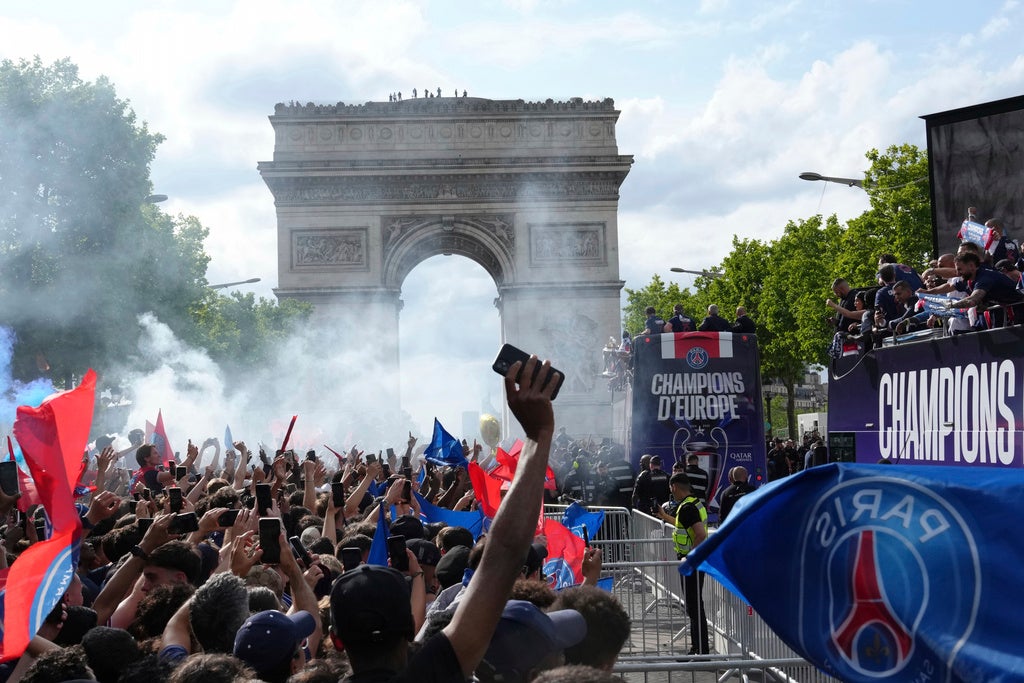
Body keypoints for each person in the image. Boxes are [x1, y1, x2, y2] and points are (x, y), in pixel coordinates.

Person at [328, 355, 562, 681]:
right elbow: (504, 554)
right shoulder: (431, 674)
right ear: (412, 625)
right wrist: (538, 436)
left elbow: (504, 555)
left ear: (335, 640)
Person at [656, 474, 709, 655]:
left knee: (694, 607)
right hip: (693, 561)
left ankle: (700, 650)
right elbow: (684, 526)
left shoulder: (687, 508)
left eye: (671, 488)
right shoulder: (693, 503)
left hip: (691, 562)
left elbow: (700, 534)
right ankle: (698, 649)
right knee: (694, 606)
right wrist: (663, 516)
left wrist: (690, 558)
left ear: (675, 487)